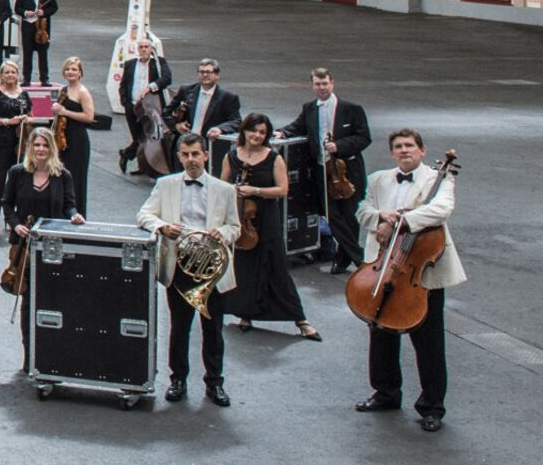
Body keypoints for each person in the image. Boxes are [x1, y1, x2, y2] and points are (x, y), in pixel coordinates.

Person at [356, 128, 463, 433]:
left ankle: (432, 407)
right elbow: (362, 210)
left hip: (421, 272)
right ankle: (385, 393)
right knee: (380, 332)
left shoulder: (438, 178)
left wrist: (402, 222)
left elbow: (441, 209)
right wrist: (381, 217)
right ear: (392, 153)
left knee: (428, 342)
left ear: (422, 151)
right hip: (386, 265)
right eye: (398, 147)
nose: (404, 150)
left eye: (410, 146)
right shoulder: (379, 179)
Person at [136, 133, 241, 407]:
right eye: (186, 154)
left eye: (196, 154)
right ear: (179, 157)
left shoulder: (224, 190)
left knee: (213, 329)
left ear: (206, 155)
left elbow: (236, 227)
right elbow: (144, 214)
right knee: (179, 327)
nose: (191, 160)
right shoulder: (165, 185)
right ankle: (178, 379)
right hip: (181, 266)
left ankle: (215, 383)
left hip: (213, 268)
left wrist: (223, 233)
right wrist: (162, 227)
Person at [222, 113, 320, 341]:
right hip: (242, 218)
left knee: (276, 264)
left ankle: (300, 319)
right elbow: (222, 186)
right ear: (244, 131)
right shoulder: (232, 157)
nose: (257, 136)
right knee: (244, 266)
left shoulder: (273, 158)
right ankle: (245, 314)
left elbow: (283, 190)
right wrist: (233, 193)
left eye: (262, 132)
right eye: (253, 131)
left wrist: (255, 191)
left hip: (266, 217)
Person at [0, 125, 84, 369]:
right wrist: (16, 226)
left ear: (51, 148)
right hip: (25, 247)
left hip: (51, 247)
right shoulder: (17, 173)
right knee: (27, 302)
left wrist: (75, 215)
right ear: (30, 148)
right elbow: (7, 204)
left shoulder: (62, 175)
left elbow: (69, 205)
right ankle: (29, 355)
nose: (40, 149)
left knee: (53, 299)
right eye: (36, 145)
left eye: (45, 145)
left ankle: (50, 352)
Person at [280, 67, 371, 274]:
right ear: (312, 85)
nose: (321, 88)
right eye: (317, 84)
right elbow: (297, 127)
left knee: (350, 215)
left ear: (332, 83)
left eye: (325, 84)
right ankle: (358, 257)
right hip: (323, 170)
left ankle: (345, 258)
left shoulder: (352, 109)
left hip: (348, 171)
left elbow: (364, 137)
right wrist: (281, 132)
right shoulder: (309, 108)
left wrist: (340, 146)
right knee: (332, 216)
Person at [0, 62, 29, 241]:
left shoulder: (23, 94)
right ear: (1, 75)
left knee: (19, 180)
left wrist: (26, 118)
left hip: (20, 143)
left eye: (13, 72)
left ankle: (13, 219)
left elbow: (30, 115)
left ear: (17, 74)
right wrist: (7, 122)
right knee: (0, 181)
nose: (10, 75)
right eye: (7, 72)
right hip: (2, 142)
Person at [170, 58, 242, 172]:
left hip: (210, 147)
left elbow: (236, 121)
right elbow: (166, 112)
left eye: (208, 72)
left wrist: (220, 129)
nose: (204, 75)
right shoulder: (186, 91)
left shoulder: (228, 97)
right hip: (186, 144)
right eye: (201, 72)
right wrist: (176, 125)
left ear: (217, 75)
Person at [116, 37, 174, 176]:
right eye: (141, 47)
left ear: (151, 49)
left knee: (146, 136)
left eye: (146, 47)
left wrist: (151, 87)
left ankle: (129, 156)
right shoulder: (130, 64)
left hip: (151, 106)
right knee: (138, 136)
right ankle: (140, 163)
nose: (143, 49)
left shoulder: (158, 63)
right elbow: (123, 85)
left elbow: (167, 78)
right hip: (133, 106)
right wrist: (126, 103)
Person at [55, 55, 99, 216]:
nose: (70, 72)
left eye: (74, 69)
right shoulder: (64, 90)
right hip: (62, 138)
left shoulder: (83, 92)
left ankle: (77, 214)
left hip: (77, 139)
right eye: (67, 69)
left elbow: (89, 117)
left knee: (76, 178)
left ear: (80, 72)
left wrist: (65, 111)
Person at [15, 0, 57, 86]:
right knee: (27, 53)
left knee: (43, 53)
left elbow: (54, 7)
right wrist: (25, 12)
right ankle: (26, 79)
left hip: (42, 26)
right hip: (28, 26)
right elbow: (17, 8)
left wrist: (44, 12)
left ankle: (44, 79)